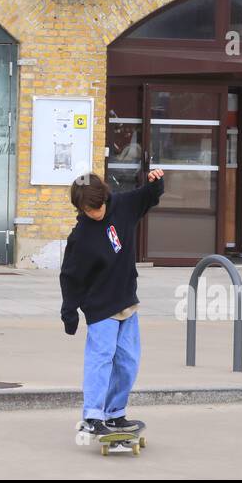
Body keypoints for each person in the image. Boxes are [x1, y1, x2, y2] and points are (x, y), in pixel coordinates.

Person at [60, 167, 165, 435]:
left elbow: (147, 196)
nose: (95, 213)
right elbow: (70, 276)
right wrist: (69, 311)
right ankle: (93, 417)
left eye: (97, 207)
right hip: (99, 306)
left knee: (128, 361)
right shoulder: (81, 236)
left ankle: (115, 413)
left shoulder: (122, 206)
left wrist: (155, 183)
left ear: (105, 198)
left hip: (127, 300)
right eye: (88, 210)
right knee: (101, 358)